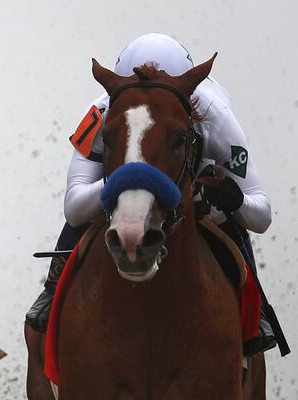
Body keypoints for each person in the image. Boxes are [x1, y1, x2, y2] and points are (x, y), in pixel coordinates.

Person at [25, 33, 276, 355]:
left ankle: (258, 316)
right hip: (121, 206)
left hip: (198, 208)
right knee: (84, 223)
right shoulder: (100, 113)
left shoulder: (216, 115)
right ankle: (51, 293)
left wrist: (235, 199)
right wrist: (131, 177)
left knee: (231, 222)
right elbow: (74, 208)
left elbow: (262, 215)